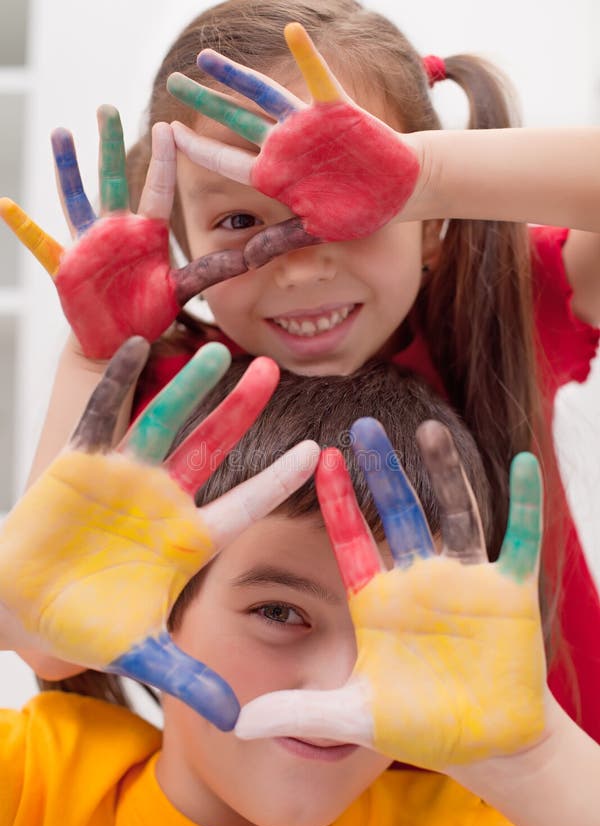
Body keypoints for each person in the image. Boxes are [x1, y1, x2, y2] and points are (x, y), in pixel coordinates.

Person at [2, 0, 600, 739]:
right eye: (241, 223)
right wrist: (94, 354)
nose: (300, 267)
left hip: (539, 815)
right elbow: (43, 637)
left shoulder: (499, 308)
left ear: (431, 220)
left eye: (354, 211)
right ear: (182, 245)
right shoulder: (179, 397)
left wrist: (429, 172)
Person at [1, 351, 597, 826]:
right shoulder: (36, 789)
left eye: (400, 637)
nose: (340, 680)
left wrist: (537, 761)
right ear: (158, 604)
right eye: (280, 613)